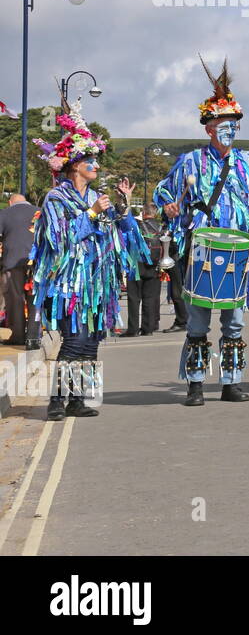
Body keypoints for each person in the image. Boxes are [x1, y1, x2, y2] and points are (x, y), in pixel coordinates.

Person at [154, 59, 249, 406]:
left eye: (233, 126)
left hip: (238, 249)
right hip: (203, 249)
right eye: (223, 125)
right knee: (198, 323)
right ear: (209, 128)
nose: (230, 131)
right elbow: (163, 191)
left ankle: (231, 383)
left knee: (234, 323)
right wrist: (171, 206)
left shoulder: (248, 163)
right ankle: (194, 384)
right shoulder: (190, 162)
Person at [29, 102, 148, 420]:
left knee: (92, 341)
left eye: (95, 159)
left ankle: (78, 399)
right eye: (89, 159)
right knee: (75, 340)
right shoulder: (57, 198)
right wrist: (93, 212)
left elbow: (125, 235)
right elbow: (62, 239)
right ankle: (56, 400)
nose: (95, 164)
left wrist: (123, 209)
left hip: (100, 282)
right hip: (71, 283)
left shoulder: (97, 195)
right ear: (73, 165)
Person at [0, 193, 38, 346]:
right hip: (37, 262)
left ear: (10, 202)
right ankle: (34, 336)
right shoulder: (40, 211)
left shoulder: (4, 213)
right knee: (35, 299)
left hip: (13, 262)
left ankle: (18, 336)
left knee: (15, 299)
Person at [124, 206, 164, 337]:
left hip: (137, 265)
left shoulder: (136, 226)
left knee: (134, 298)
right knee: (150, 298)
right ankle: (148, 328)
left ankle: (133, 329)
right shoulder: (160, 227)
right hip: (154, 265)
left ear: (144, 213)